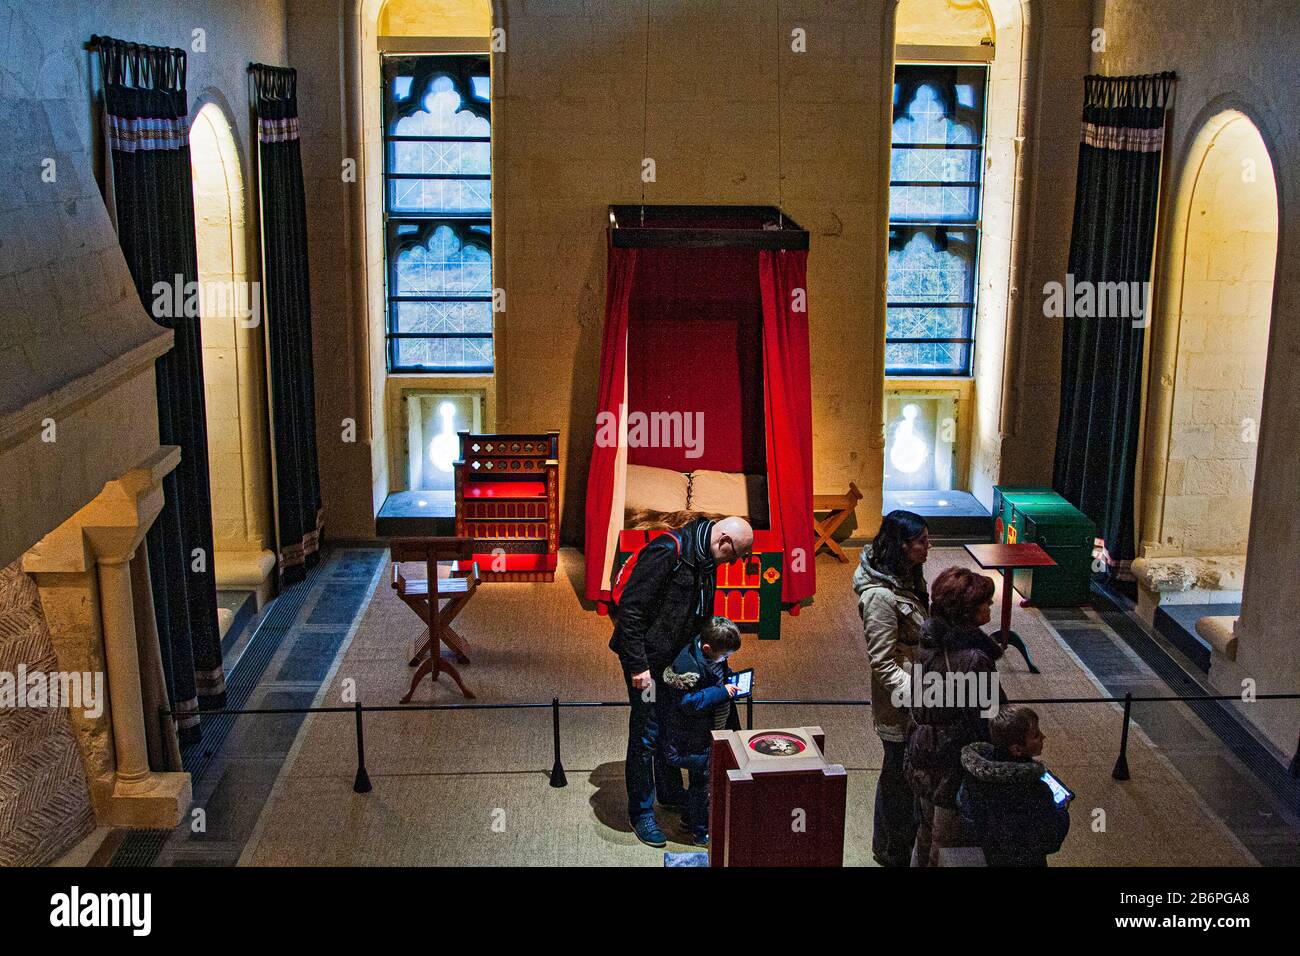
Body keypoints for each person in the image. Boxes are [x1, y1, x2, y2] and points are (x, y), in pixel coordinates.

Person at [609, 515, 754, 848]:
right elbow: (630, 611)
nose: (731, 563)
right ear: (725, 542)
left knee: (671, 721)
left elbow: (699, 614)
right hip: (646, 661)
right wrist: (638, 666)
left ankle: (670, 791)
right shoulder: (666, 551)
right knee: (646, 733)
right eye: (733, 556)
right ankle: (641, 812)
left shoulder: (705, 559)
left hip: (675, 658)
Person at [905, 565, 1003, 867]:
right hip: (954, 760)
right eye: (985, 602)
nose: (991, 606)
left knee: (925, 829)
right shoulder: (974, 659)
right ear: (967, 611)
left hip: (922, 751)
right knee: (949, 843)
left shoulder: (928, 641)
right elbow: (990, 716)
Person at [853, 509, 930, 867]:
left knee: (906, 775)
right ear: (902, 546)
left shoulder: (909, 576)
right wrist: (922, 697)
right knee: (897, 777)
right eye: (921, 542)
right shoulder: (880, 598)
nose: (928, 547)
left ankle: (899, 846)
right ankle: (890, 852)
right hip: (899, 705)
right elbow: (882, 663)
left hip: (917, 693)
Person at [660, 616, 743, 846]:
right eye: (725, 655)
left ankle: (690, 819)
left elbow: (717, 677)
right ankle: (700, 832)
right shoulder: (687, 667)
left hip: (710, 731)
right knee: (701, 786)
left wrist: (732, 684)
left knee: (704, 782)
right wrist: (721, 692)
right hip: (695, 740)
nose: (726, 659)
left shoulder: (710, 655)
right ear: (707, 648)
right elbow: (688, 703)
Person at [957, 706, 1071, 866]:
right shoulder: (1034, 790)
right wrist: (1062, 813)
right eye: (1036, 736)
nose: (1043, 737)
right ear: (1016, 749)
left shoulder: (974, 773)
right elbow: (1048, 839)